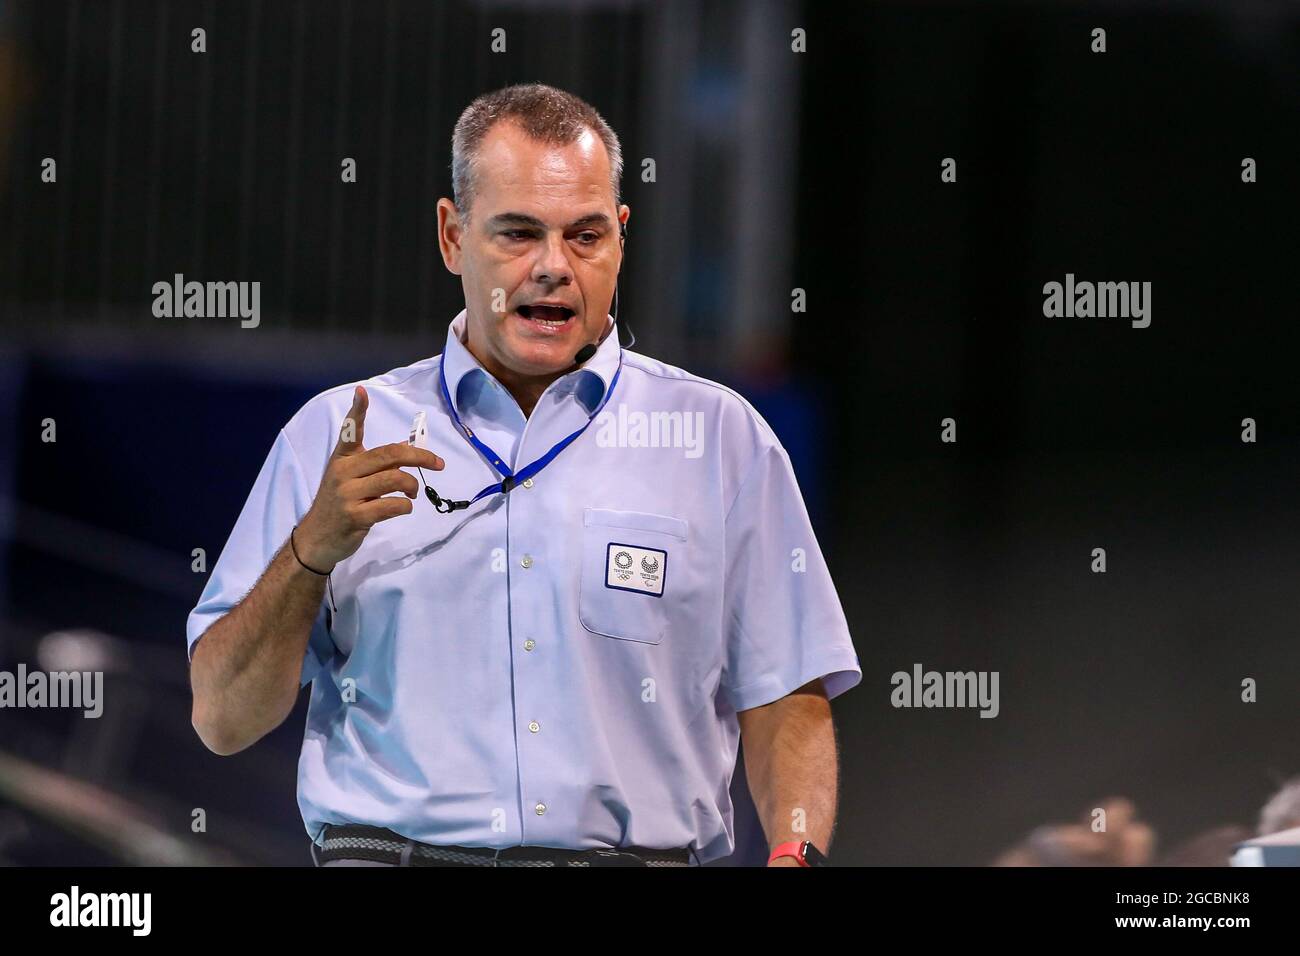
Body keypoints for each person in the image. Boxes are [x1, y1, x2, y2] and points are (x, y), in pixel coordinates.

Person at [187, 83, 861, 867]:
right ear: (451, 235)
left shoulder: (720, 442)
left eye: (586, 235)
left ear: (621, 238)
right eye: (517, 233)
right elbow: (222, 719)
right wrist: (309, 552)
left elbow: (786, 695)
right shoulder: (337, 437)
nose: (553, 267)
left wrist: (797, 853)